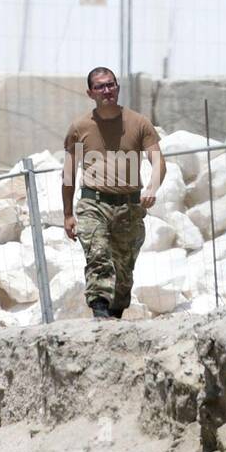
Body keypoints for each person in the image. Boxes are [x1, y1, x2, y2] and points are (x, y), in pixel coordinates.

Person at [62, 67, 166, 319]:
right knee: (98, 256)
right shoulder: (79, 127)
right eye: (100, 86)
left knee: (124, 270)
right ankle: (99, 312)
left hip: (129, 206)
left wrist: (152, 187)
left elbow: (159, 162)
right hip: (93, 204)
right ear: (90, 93)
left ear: (118, 87)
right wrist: (67, 214)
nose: (106, 90)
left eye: (111, 85)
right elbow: (69, 173)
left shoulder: (139, 123)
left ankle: (115, 317)